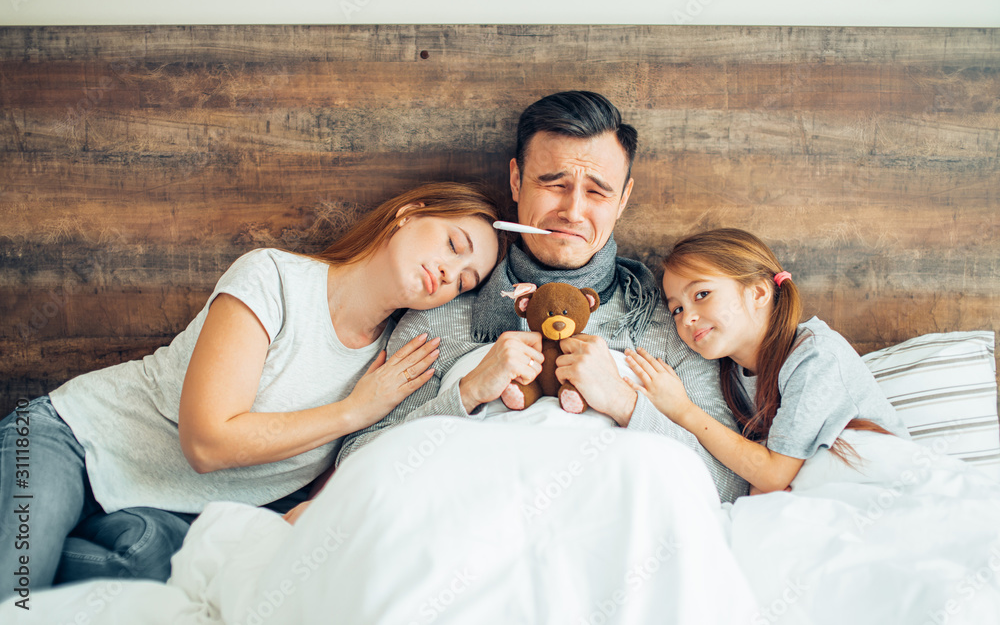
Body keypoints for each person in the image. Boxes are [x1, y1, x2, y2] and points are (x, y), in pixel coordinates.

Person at [0, 182, 502, 602]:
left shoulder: (391, 365)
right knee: (15, 589)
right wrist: (354, 410)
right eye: (453, 246)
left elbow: (375, 457)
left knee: (140, 570)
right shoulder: (274, 277)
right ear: (407, 214)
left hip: (166, 509)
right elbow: (208, 443)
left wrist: (472, 389)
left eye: (464, 280)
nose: (448, 275)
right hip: (72, 439)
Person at [281, 91, 750, 528]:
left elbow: (730, 484)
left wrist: (627, 405)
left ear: (622, 201)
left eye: (598, 192)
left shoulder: (673, 323)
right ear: (516, 181)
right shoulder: (443, 309)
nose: (573, 210)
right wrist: (464, 393)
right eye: (554, 183)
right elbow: (360, 467)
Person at [624, 228, 910, 494]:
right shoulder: (728, 371)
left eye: (702, 294)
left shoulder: (816, 356)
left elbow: (774, 475)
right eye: (676, 309)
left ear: (759, 292)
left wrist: (682, 409)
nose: (687, 318)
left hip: (882, 484)